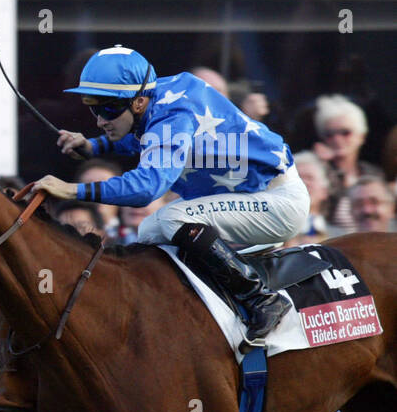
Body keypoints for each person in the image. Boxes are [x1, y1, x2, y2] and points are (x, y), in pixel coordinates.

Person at [33, 45, 309, 345]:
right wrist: (94, 147)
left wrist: (73, 189)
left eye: (107, 109)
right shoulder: (157, 97)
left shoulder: (173, 115)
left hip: (276, 203)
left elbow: (147, 188)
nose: (100, 120)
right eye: (93, 107)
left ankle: (261, 300)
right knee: (149, 229)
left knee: (174, 216)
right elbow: (146, 137)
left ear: (139, 101)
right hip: (256, 197)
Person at [312, 94, 381, 233]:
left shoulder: (374, 173)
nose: (337, 139)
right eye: (329, 134)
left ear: (361, 136)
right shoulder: (318, 171)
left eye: (345, 132)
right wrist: (321, 164)